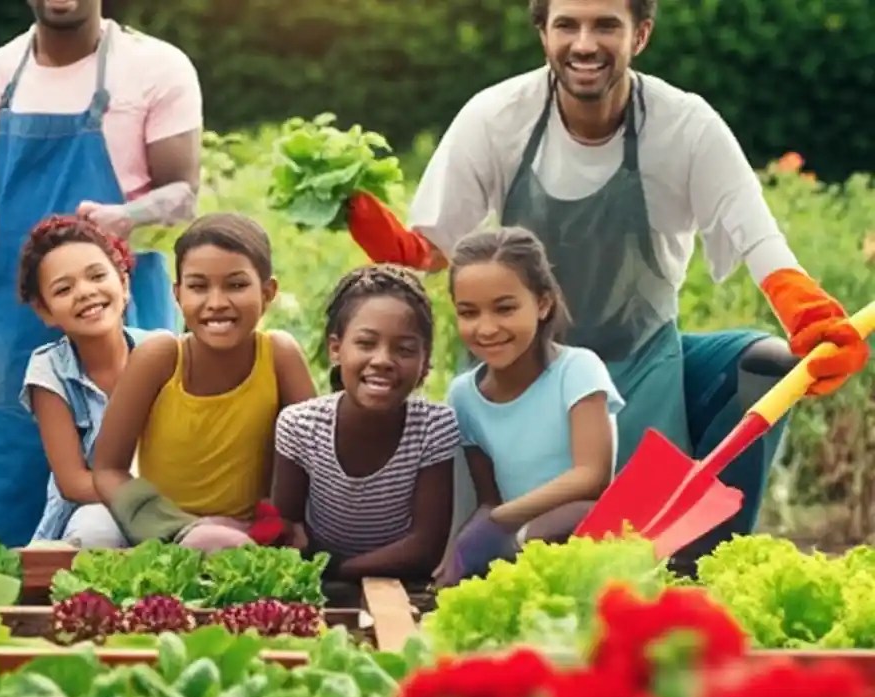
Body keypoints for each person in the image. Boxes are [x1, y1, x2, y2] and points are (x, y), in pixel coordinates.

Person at [342, 0, 870, 565]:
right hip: (522, 379)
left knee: (766, 366)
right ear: (543, 34)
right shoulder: (496, 118)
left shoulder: (684, 126)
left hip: (643, 372)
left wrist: (807, 314)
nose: (585, 43)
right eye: (567, 24)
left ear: (640, 35)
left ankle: (711, 562)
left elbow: (755, 235)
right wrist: (373, 226)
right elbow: (431, 248)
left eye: (606, 26)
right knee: (506, 561)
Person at [0, 0, 203, 545]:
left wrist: (124, 218)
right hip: (12, 318)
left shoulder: (156, 67)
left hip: (122, 305)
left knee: (130, 461)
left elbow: (182, 194)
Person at [92, 214, 317, 551]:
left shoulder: (279, 356)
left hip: (252, 539)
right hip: (161, 534)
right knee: (92, 532)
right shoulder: (161, 358)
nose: (216, 303)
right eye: (198, 287)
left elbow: (314, 461)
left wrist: (284, 522)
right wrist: (177, 528)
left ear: (268, 292)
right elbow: (108, 469)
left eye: (236, 285)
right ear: (178, 295)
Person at [435, 228, 625, 587]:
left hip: (580, 532)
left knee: (567, 521)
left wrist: (502, 524)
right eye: (469, 312)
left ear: (543, 304)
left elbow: (592, 476)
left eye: (505, 308)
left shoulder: (577, 369)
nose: (486, 328)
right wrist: (457, 552)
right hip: (516, 535)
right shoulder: (463, 395)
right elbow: (487, 498)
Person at [272, 265, 457, 581]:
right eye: (366, 343)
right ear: (336, 349)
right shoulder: (299, 426)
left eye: (405, 349)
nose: (383, 360)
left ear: (425, 364)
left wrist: (335, 571)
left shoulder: (433, 427)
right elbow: (285, 529)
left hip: (399, 582)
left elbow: (426, 546)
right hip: (316, 582)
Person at [18, 216, 163, 548]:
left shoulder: (161, 351)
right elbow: (72, 482)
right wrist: (146, 501)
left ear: (124, 286)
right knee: (98, 532)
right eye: (64, 289)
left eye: (97, 276)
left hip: (172, 493)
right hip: (92, 506)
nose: (85, 292)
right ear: (46, 312)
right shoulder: (49, 370)